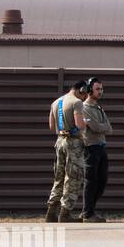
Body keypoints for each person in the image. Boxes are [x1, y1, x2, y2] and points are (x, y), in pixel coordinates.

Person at [45, 80, 89, 223]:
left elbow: (52, 126)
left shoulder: (55, 102)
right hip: (73, 144)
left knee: (59, 177)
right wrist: (86, 122)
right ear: (81, 90)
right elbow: (80, 125)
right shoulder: (76, 103)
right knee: (73, 178)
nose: (84, 98)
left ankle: (51, 211)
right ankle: (65, 213)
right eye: (84, 94)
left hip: (59, 142)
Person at [79, 77, 113, 222]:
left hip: (101, 147)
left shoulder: (98, 107)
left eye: (101, 89)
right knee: (90, 181)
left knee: (102, 180)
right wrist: (101, 126)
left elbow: (109, 128)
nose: (100, 92)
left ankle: (90, 210)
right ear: (89, 90)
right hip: (90, 148)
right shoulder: (84, 108)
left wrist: (101, 126)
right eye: (97, 89)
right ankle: (87, 213)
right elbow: (96, 127)